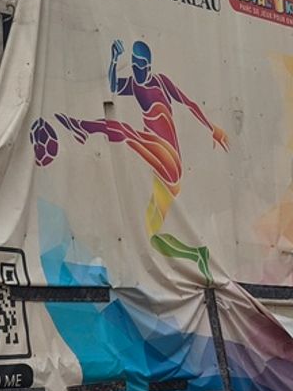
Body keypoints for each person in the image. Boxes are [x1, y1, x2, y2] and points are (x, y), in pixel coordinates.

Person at [52, 40, 229, 284]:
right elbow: (113, 86)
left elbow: (188, 102)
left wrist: (212, 128)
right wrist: (114, 60)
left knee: (125, 130)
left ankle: (83, 127)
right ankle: (197, 254)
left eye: (142, 65)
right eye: (134, 65)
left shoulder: (161, 83)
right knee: (152, 235)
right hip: (160, 165)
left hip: (170, 158)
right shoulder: (135, 85)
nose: (138, 70)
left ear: (149, 65)